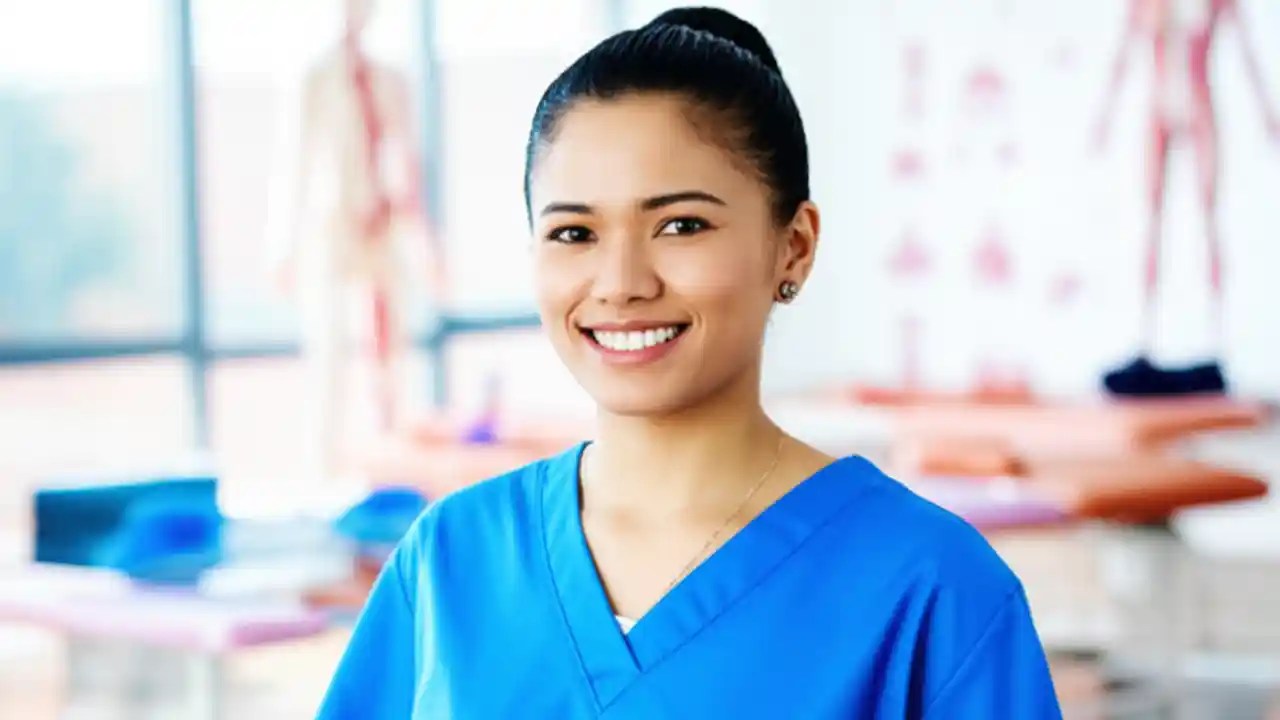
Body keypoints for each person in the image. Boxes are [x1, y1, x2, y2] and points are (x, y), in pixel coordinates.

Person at [318, 7, 1062, 718]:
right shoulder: (453, 561)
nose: (621, 283)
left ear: (793, 245)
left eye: (681, 224)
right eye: (575, 234)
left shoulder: (929, 588)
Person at [265, 0, 444, 487]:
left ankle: (386, 470)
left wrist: (423, 241)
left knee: (389, 350)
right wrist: (284, 245)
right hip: (331, 228)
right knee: (329, 351)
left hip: (381, 226)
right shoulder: (314, 79)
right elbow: (294, 164)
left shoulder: (390, 79)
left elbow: (407, 160)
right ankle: (322, 474)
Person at [1093, 0, 1279, 396]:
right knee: (1152, 227)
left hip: (1198, 103)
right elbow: (1124, 54)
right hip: (1160, 106)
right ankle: (1145, 336)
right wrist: (1105, 116)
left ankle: (1217, 336)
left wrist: (1267, 113)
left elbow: (1246, 52)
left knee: (1208, 225)